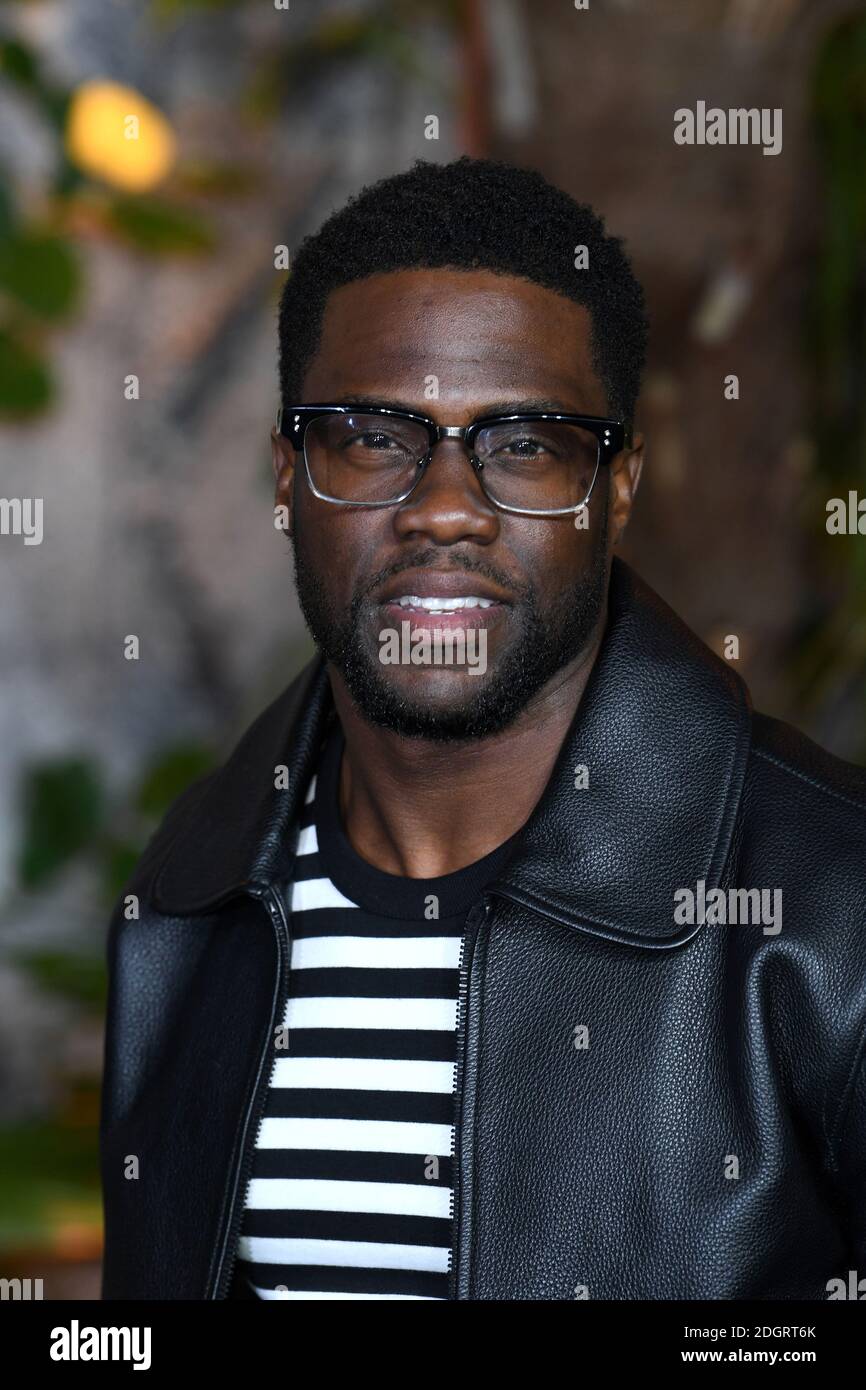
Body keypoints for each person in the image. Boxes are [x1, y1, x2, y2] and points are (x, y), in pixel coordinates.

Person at [99, 156, 866, 1300]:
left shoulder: (831, 906)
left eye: (523, 443)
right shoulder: (195, 894)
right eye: (372, 436)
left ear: (614, 489)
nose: (445, 506)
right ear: (287, 476)